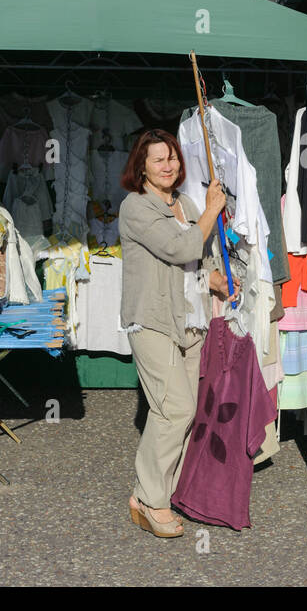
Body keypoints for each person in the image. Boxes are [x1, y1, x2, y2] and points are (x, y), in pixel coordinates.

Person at [119, 129, 236, 538]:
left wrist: (214, 279)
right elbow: (179, 249)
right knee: (175, 409)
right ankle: (150, 499)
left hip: (190, 320)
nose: (168, 165)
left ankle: (156, 496)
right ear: (142, 167)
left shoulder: (184, 203)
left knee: (180, 414)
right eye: (157, 160)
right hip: (152, 321)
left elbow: (196, 261)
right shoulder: (136, 207)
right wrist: (211, 210)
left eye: (171, 158)